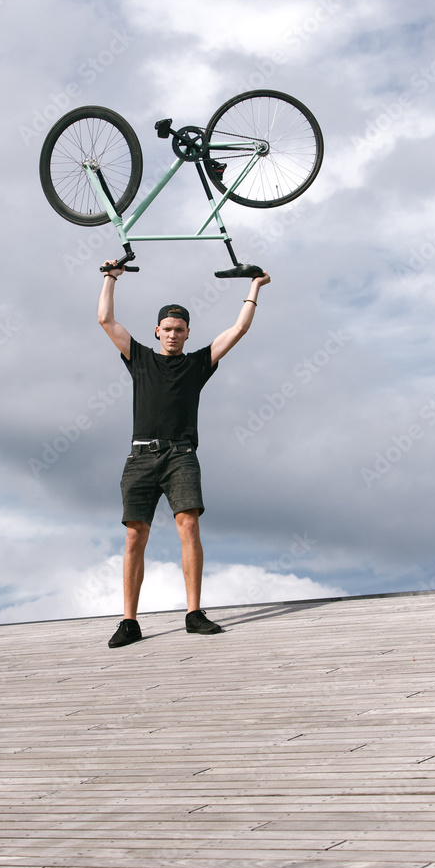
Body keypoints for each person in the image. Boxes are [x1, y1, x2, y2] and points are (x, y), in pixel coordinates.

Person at [98, 259, 271, 648]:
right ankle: (129, 622)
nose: (173, 335)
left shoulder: (197, 364)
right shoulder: (139, 358)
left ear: (188, 333)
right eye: (167, 329)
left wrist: (255, 287)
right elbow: (106, 321)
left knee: (188, 524)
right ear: (156, 331)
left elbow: (239, 328)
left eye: (179, 330)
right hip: (140, 457)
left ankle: (194, 613)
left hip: (181, 456)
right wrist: (110, 277)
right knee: (133, 536)